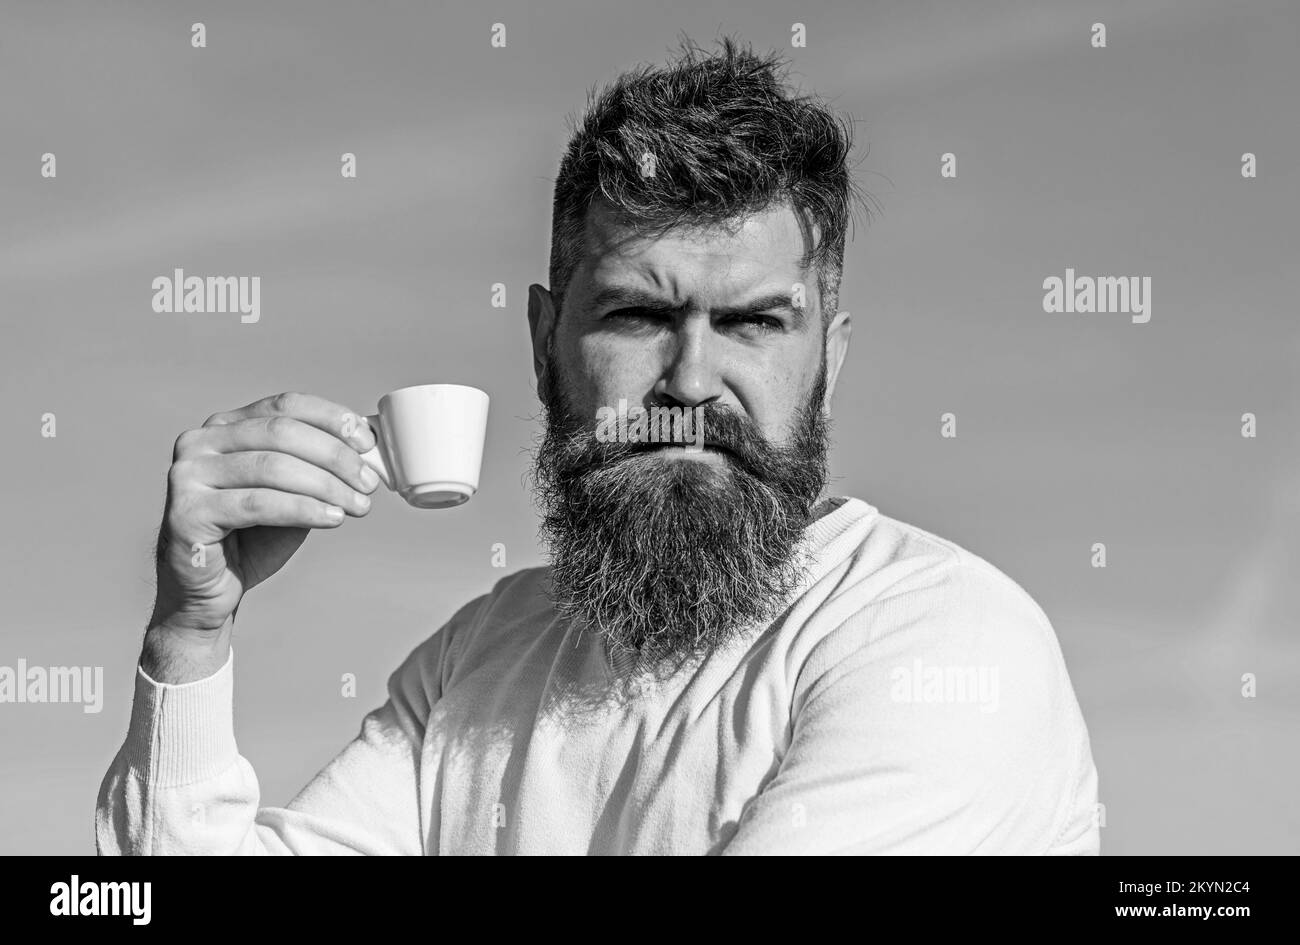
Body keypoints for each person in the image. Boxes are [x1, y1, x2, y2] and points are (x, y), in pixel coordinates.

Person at [96, 36, 1099, 855]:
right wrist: (189, 636)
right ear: (545, 346)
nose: (692, 381)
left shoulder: (941, 644)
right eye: (635, 317)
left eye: (752, 323)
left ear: (827, 365)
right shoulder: (476, 662)